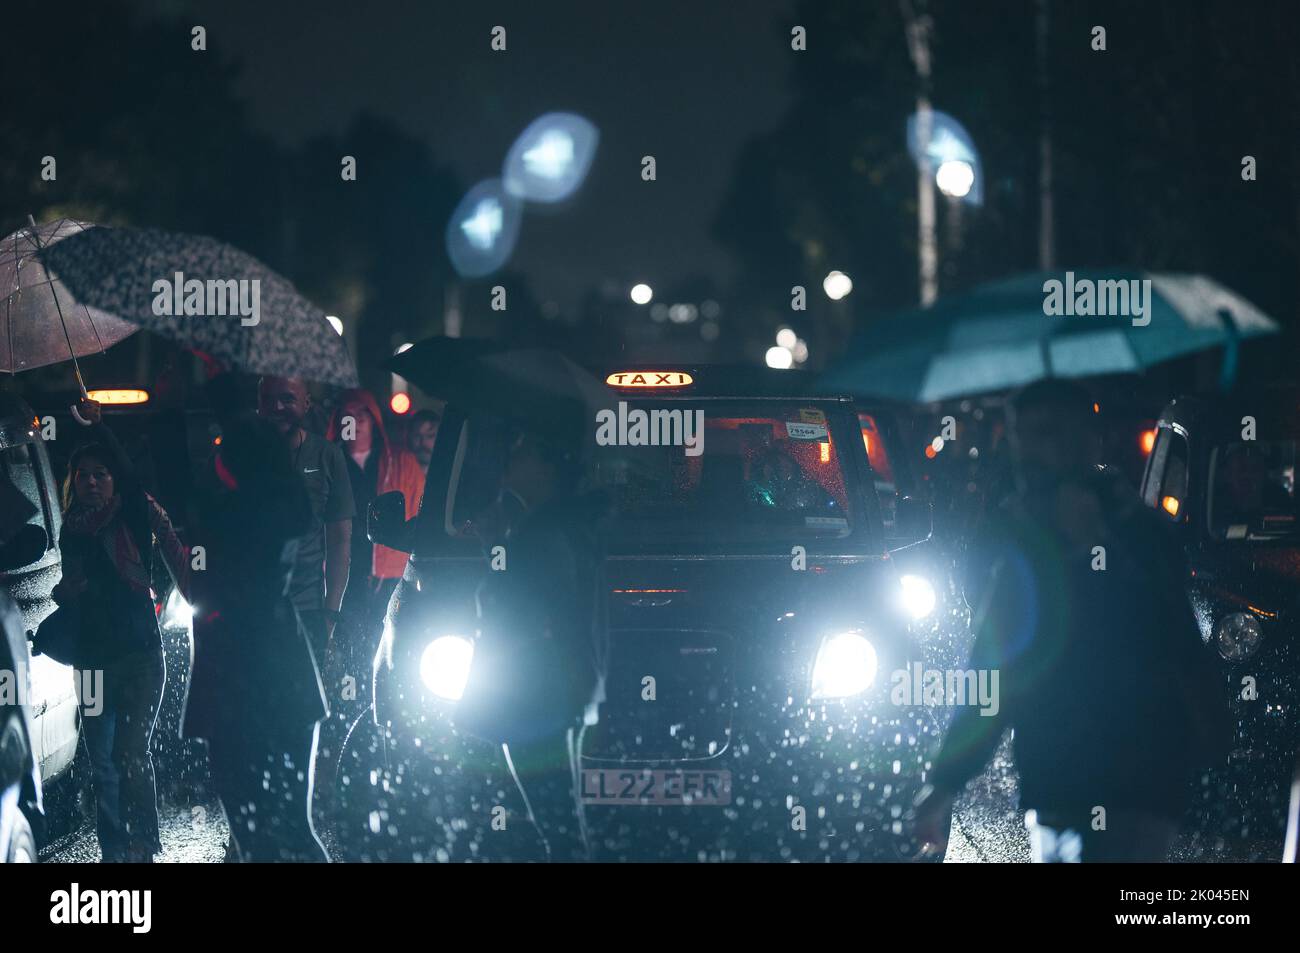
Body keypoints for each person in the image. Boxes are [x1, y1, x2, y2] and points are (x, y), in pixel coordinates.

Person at [914, 381, 1229, 862]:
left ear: (1085, 440)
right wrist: (945, 781)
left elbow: (1172, 642)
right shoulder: (1022, 538)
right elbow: (994, 670)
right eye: (1021, 436)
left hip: (1136, 783)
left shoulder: (1138, 534)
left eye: (1046, 434)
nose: (1029, 452)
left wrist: (1094, 551)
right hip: (1055, 784)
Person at [457, 428, 610, 861]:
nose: (513, 455)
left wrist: (498, 556)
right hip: (553, 689)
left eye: (524, 449)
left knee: (556, 824)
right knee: (560, 821)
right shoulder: (556, 525)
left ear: (548, 466)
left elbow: (533, 607)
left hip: (537, 692)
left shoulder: (546, 532)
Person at [182, 415, 329, 862]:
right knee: (291, 828)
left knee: (252, 830)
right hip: (287, 675)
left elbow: (208, 585)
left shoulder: (232, 516)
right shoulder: (286, 506)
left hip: (237, 680)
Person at [52, 398, 189, 862]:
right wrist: (65, 595)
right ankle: (114, 851)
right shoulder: (71, 530)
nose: (91, 481)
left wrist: (101, 426)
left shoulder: (129, 513)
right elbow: (75, 592)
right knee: (102, 764)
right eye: (83, 474)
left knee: (131, 756)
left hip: (140, 658)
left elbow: (132, 483)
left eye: (100, 474)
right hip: (92, 664)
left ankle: (144, 848)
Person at [324, 389, 424, 718]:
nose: (355, 423)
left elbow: (418, 511)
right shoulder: (327, 463)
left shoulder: (401, 462)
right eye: (347, 416)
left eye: (362, 415)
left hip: (389, 573)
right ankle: (351, 710)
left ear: (374, 421)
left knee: (386, 646)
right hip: (345, 572)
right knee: (350, 643)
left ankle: (381, 711)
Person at [257, 377, 354, 666]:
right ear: (258, 405)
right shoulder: (238, 455)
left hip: (307, 610)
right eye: (268, 400)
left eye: (288, 399)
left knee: (303, 706)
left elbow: (340, 540)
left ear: (306, 403)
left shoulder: (328, 456)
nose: (277, 407)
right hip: (249, 611)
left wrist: (330, 614)